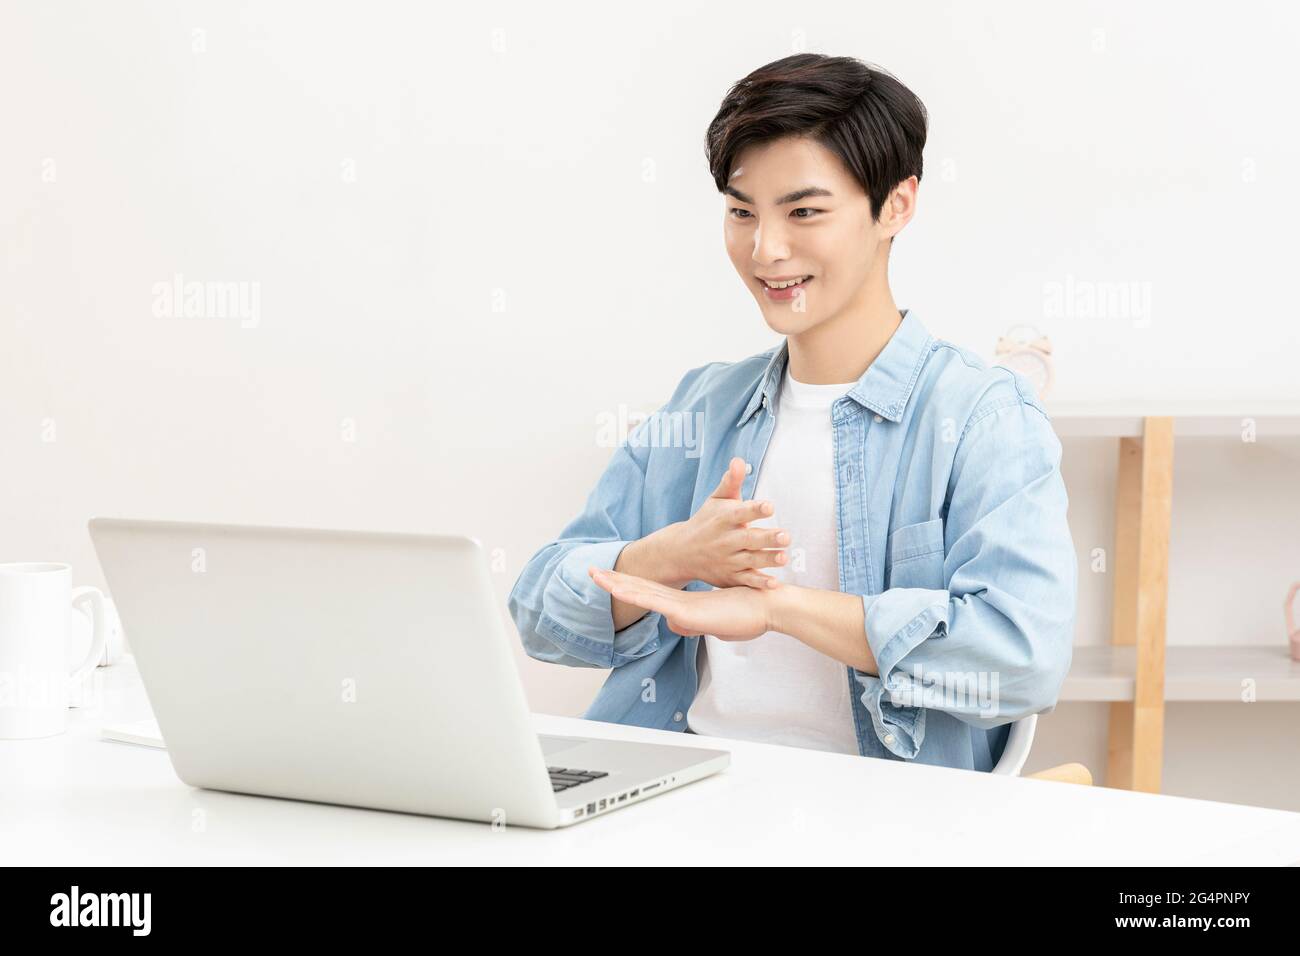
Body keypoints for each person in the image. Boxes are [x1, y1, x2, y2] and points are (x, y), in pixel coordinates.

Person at [507, 53, 1077, 772]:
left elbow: (1022, 658)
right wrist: (671, 557)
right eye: (742, 211)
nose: (764, 249)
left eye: (804, 211)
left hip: (878, 817)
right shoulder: (706, 406)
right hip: (675, 792)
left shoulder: (981, 416)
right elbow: (537, 612)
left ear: (896, 205)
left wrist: (781, 610)